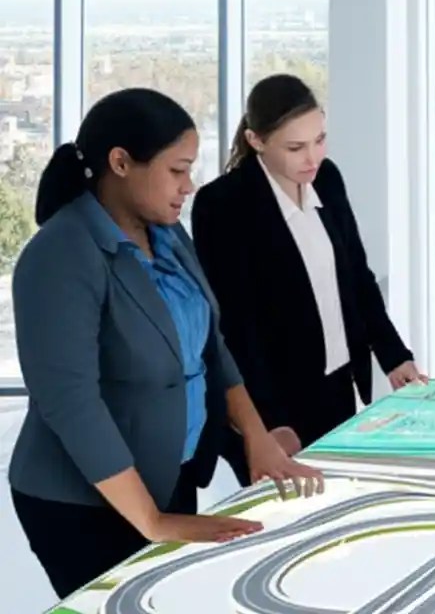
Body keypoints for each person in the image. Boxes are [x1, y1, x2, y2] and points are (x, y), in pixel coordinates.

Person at [8, 88, 323, 600]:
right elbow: (71, 404)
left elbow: (210, 348)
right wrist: (153, 522)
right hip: (83, 504)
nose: (190, 185)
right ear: (121, 163)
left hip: (168, 479)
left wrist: (256, 436)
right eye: (177, 170)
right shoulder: (60, 256)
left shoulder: (169, 234)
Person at [192, 74, 426, 484]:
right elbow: (236, 326)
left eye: (320, 140)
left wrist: (393, 355)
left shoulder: (328, 179)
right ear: (256, 140)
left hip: (338, 382)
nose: (312, 158)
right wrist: (268, 422)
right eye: (296, 147)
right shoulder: (223, 205)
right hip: (274, 397)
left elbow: (356, 276)